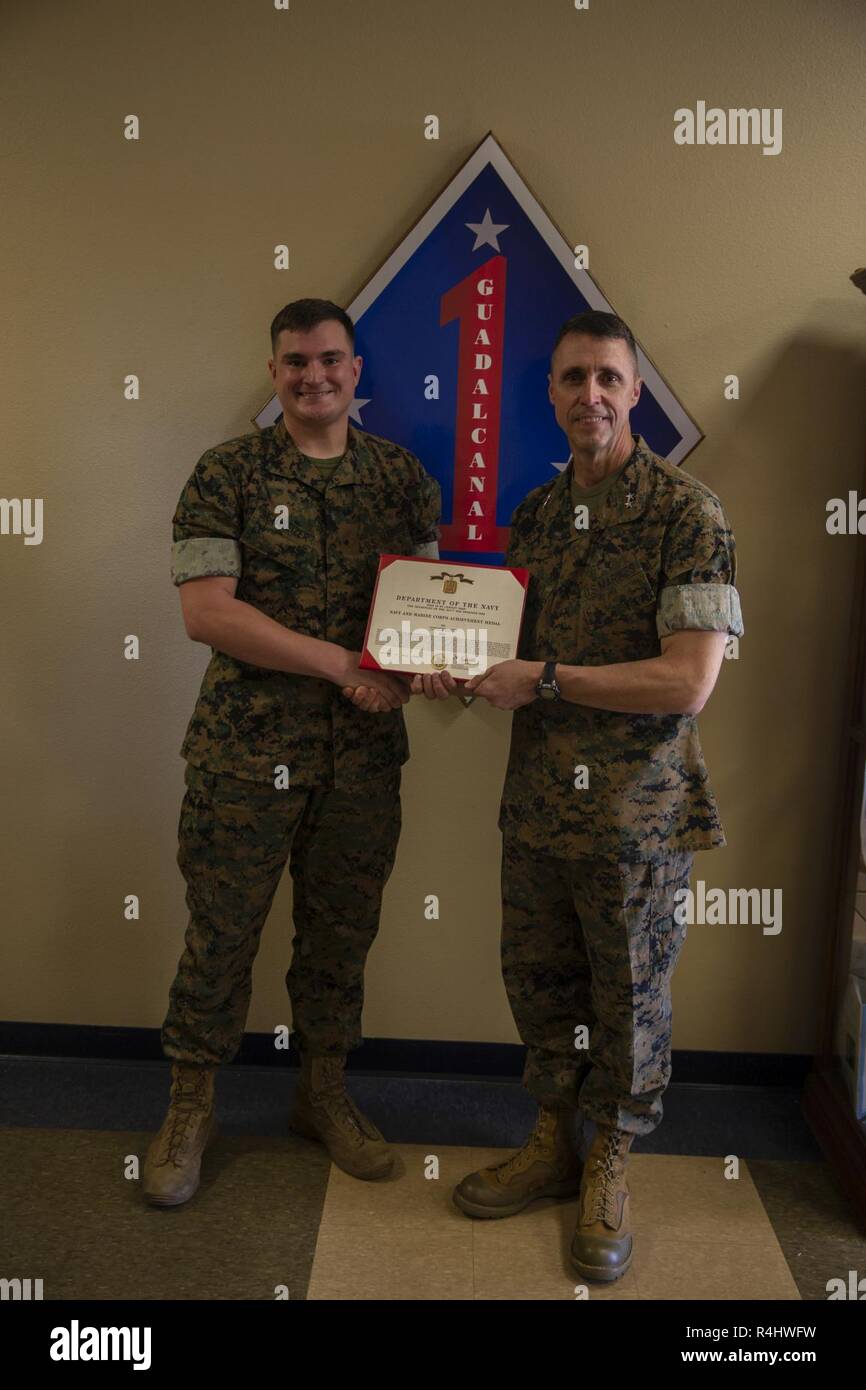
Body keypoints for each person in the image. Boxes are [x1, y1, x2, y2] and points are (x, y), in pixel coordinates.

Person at [415, 309, 743, 1282]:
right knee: (540, 982)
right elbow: (501, 654)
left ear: (633, 390)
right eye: (571, 380)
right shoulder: (540, 517)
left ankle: (609, 1157)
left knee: (628, 996)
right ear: (549, 394)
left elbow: (686, 680)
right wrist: (447, 667)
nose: (589, 396)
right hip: (536, 810)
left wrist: (544, 678)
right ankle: (552, 1138)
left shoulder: (690, 513)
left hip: (633, 820)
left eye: (606, 377)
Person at [143, 298, 440, 1206]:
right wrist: (342, 662)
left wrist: (427, 663)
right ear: (274, 373)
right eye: (295, 363)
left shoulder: (401, 478)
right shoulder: (225, 471)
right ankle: (191, 1107)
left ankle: (323, 1094)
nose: (314, 376)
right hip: (243, 757)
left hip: (361, 759)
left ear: (357, 372)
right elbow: (208, 614)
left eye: (330, 360)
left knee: (340, 941)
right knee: (220, 938)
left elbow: (424, 612)